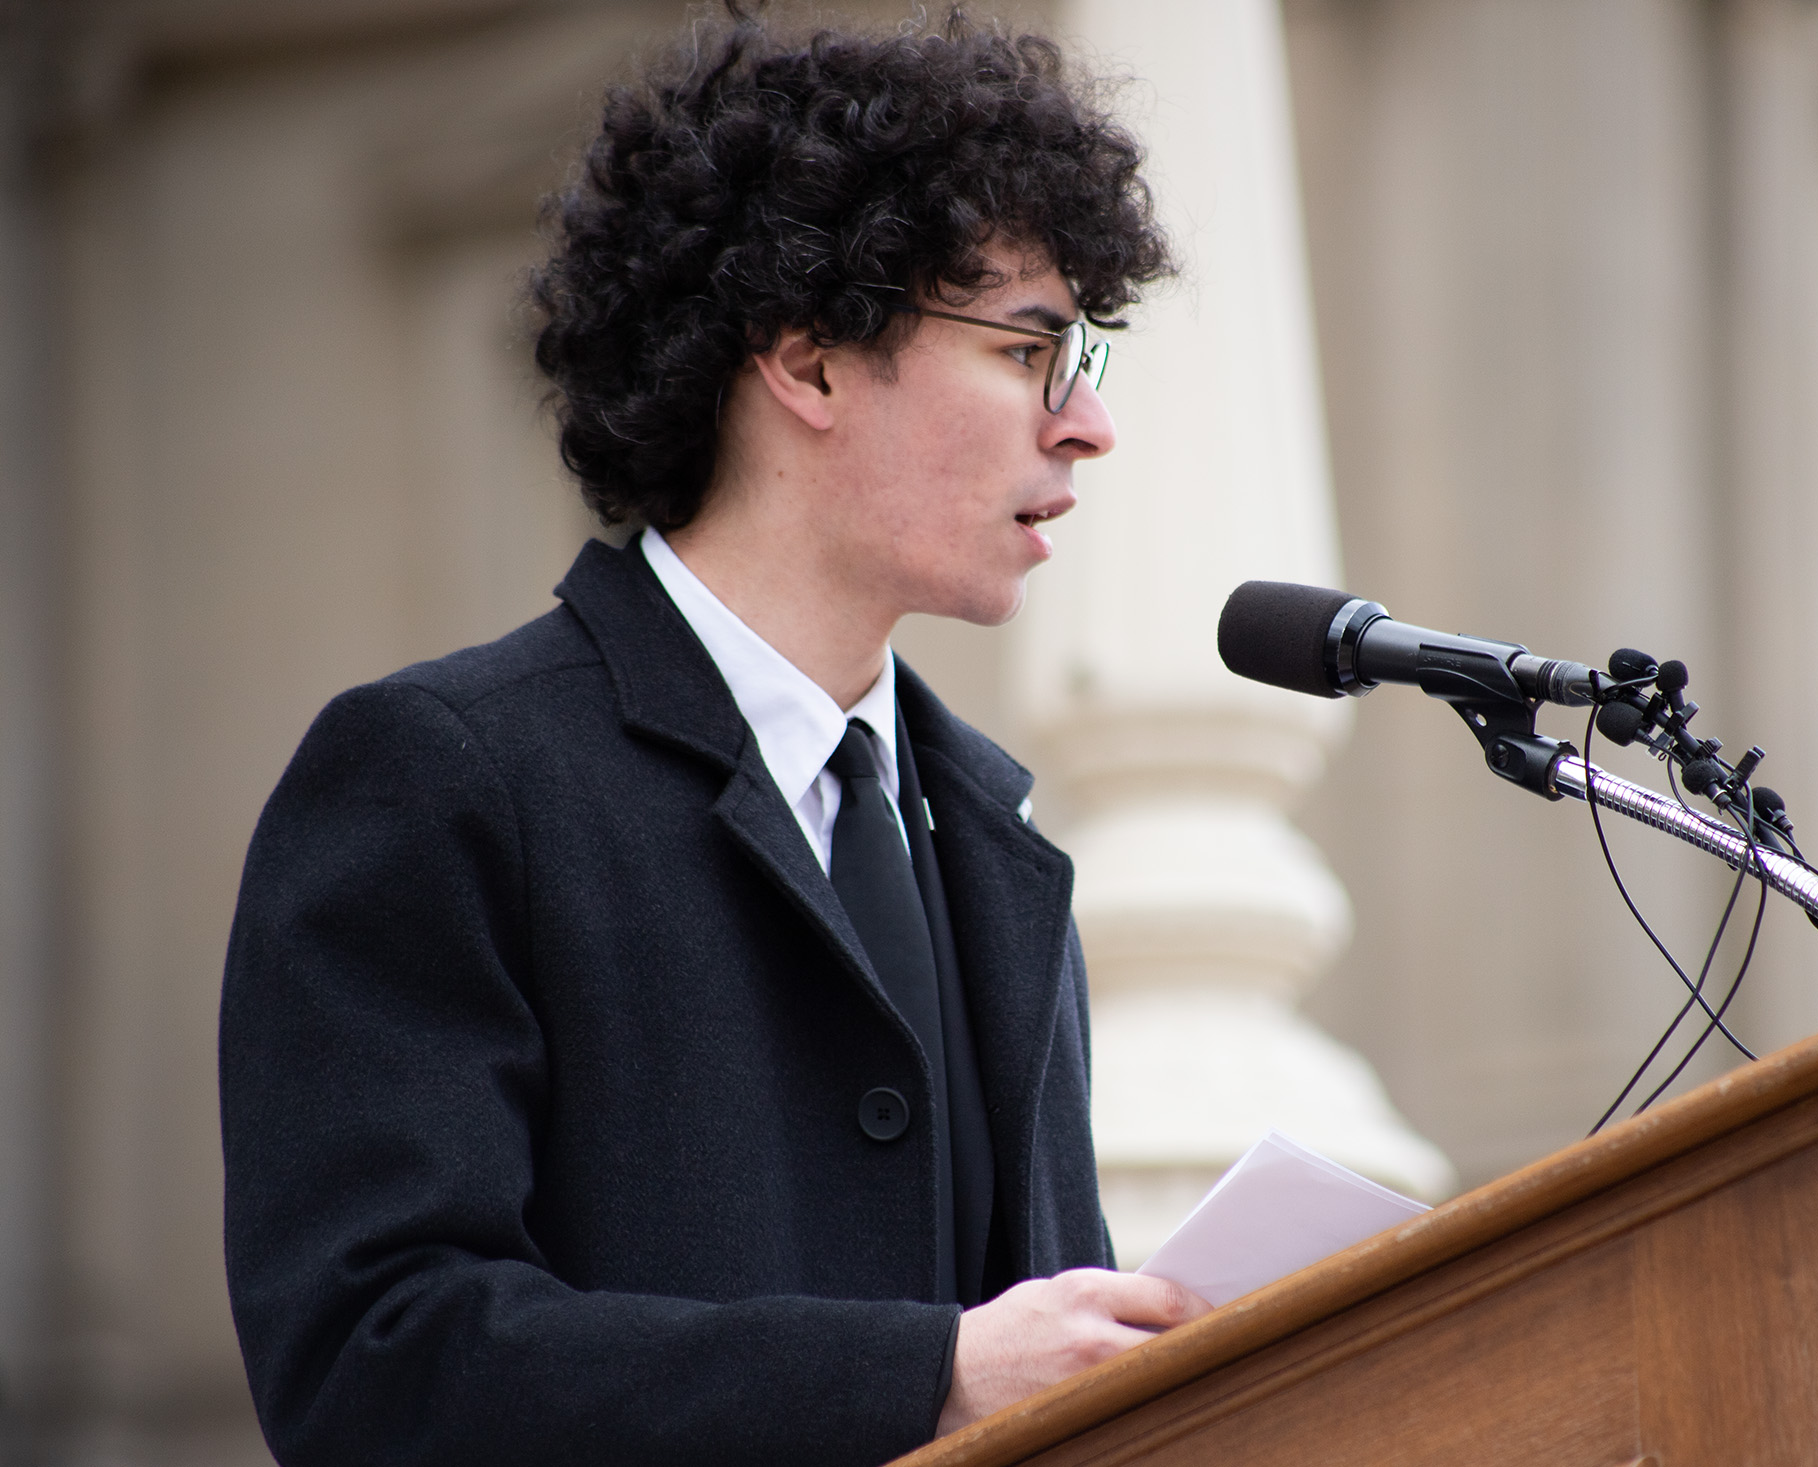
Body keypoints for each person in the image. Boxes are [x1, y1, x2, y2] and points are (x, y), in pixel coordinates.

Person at [217, 12, 1208, 1465]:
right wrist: (920, 1374)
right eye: (1028, 350)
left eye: (1084, 361)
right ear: (806, 362)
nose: (1085, 428)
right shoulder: (442, 776)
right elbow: (378, 1366)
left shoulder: (996, 842)